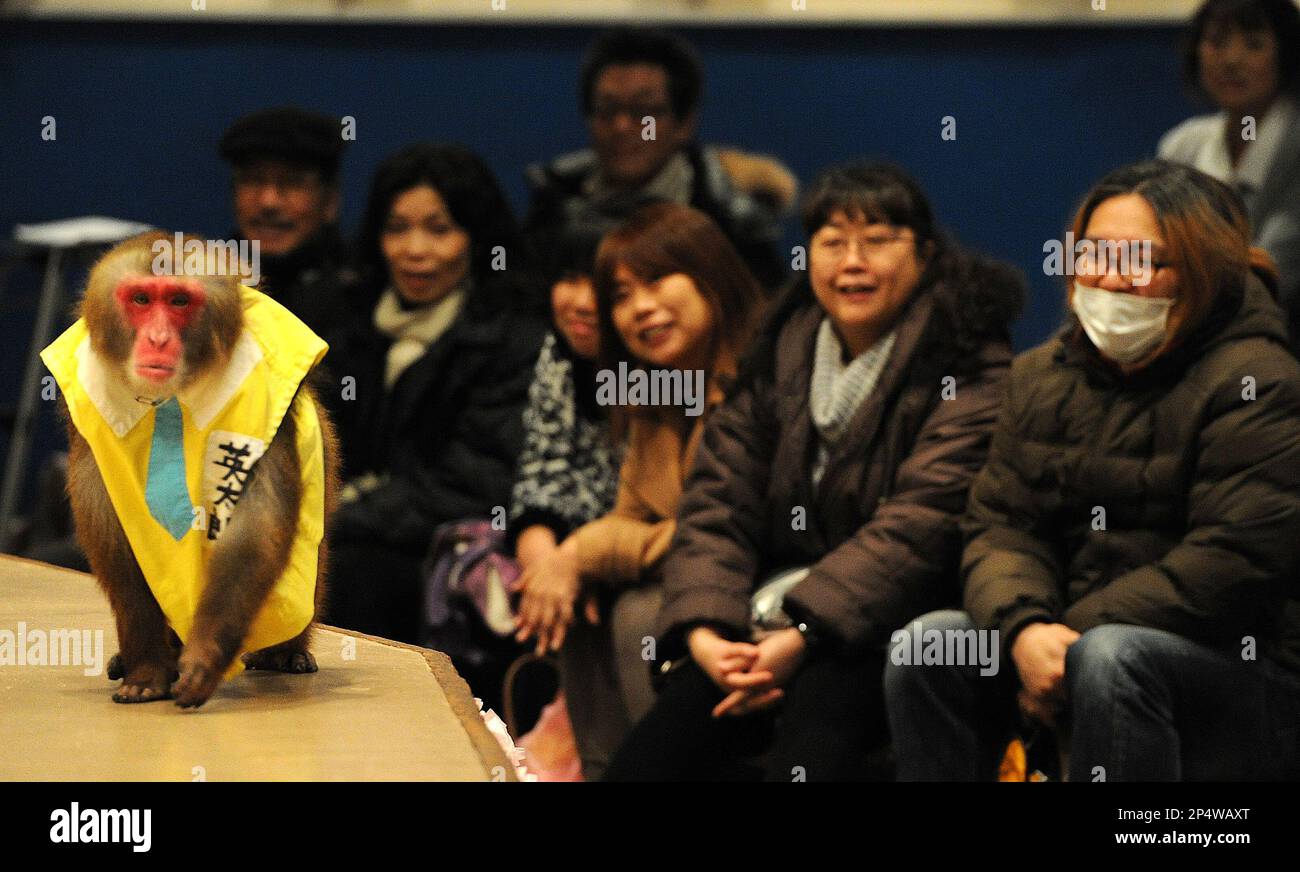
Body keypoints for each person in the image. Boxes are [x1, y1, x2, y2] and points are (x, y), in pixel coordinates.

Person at [604, 163, 1024, 782]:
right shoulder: (780, 349)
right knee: (647, 761)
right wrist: (704, 629)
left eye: (877, 240)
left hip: (889, 622)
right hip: (765, 618)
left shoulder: (970, 363)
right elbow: (718, 503)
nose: (852, 262)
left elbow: (921, 526)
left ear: (926, 254)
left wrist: (803, 632)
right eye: (831, 242)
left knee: (814, 749)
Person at [885, 160, 1300, 782]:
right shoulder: (1041, 374)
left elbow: (1234, 561)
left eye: (1140, 260)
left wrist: (1064, 642)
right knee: (928, 644)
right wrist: (1024, 629)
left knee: (1112, 657)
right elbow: (1002, 525)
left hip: (1237, 669)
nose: (1109, 279)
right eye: (1094, 255)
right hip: (1066, 641)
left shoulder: (1258, 382)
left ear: (1205, 273)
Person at [514, 202, 764, 780]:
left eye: (656, 280)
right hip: (690, 582)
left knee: (640, 613)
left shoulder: (760, 382)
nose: (639, 308)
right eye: (621, 295)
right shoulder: (657, 393)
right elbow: (631, 514)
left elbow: (725, 530)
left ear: (712, 276)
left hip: (754, 591)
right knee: (587, 607)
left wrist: (582, 552)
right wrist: (572, 564)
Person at [322, 143, 547, 644]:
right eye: (397, 228)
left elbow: (474, 486)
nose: (415, 250)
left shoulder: (512, 337)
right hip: (357, 527)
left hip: (449, 548)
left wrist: (332, 516)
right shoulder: (352, 325)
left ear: (476, 238)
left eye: (439, 229)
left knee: (348, 576)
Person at [524, 27, 794, 292]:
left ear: (684, 123)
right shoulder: (556, 204)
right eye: (607, 110)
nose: (622, 126)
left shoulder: (729, 218)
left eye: (644, 113)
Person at [1158, 0, 1300, 346]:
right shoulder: (1183, 145)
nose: (1232, 59)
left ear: (1286, 54)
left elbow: (1272, 277)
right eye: (1217, 42)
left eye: (1253, 44)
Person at [219, 106, 366, 339]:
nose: (269, 202)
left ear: (330, 200)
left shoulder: (367, 296)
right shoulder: (207, 287)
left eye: (292, 183)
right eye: (254, 180)